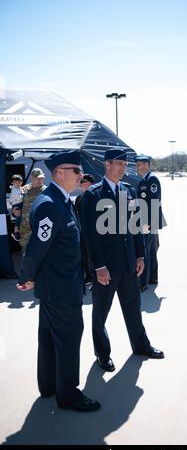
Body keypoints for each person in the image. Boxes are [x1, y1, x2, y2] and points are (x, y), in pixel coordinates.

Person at [17, 150, 100, 412]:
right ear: (59, 173)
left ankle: (50, 385)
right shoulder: (50, 204)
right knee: (68, 337)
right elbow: (38, 247)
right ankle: (68, 394)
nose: (80, 176)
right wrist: (26, 276)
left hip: (59, 285)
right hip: (60, 287)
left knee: (50, 337)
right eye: (75, 171)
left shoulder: (61, 201)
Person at [80, 149, 164, 373]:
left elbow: (135, 226)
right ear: (107, 165)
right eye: (118, 163)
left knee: (133, 308)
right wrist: (98, 266)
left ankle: (141, 346)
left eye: (125, 163)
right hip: (106, 268)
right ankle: (103, 354)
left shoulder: (128, 190)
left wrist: (140, 255)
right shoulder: (94, 195)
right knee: (100, 314)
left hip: (128, 264)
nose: (123, 167)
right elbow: (91, 235)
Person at [134, 154, 164, 291]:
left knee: (145, 250)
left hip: (148, 222)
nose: (138, 168)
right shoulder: (143, 181)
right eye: (137, 165)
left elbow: (154, 202)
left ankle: (142, 282)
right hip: (146, 220)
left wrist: (150, 223)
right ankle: (152, 277)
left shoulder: (151, 180)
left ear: (147, 165)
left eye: (140, 165)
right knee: (150, 250)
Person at [16, 168, 47, 251]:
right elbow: (17, 204)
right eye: (38, 178)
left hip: (39, 228)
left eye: (42, 178)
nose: (40, 180)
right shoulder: (24, 189)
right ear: (32, 178)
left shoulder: (46, 191)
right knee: (25, 251)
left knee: (39, 252)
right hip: (25, 228)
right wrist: (14, 211)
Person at [75, 173, 96, 284]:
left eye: (83, 182)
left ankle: (94, 277)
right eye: (80, 182)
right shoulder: (78, 198)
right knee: (84, 255)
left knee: (93, 255)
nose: (81, 184)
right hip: (81, 232)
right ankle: (88, 276)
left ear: (91, 184)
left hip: (93, 232)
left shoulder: (96, 197)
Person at [7, 174, 24, 241]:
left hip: (19, 204)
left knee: (21, 217)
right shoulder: (15, 190)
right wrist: (24, 195)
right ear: (12, 183)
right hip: (17, 205)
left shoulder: (19, 188)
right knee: (19, 217)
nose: (17, 183)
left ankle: (18, 231)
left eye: (19, 182)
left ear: (21, 182)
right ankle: (15, 231)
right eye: (15, 182)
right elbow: (19, 198)